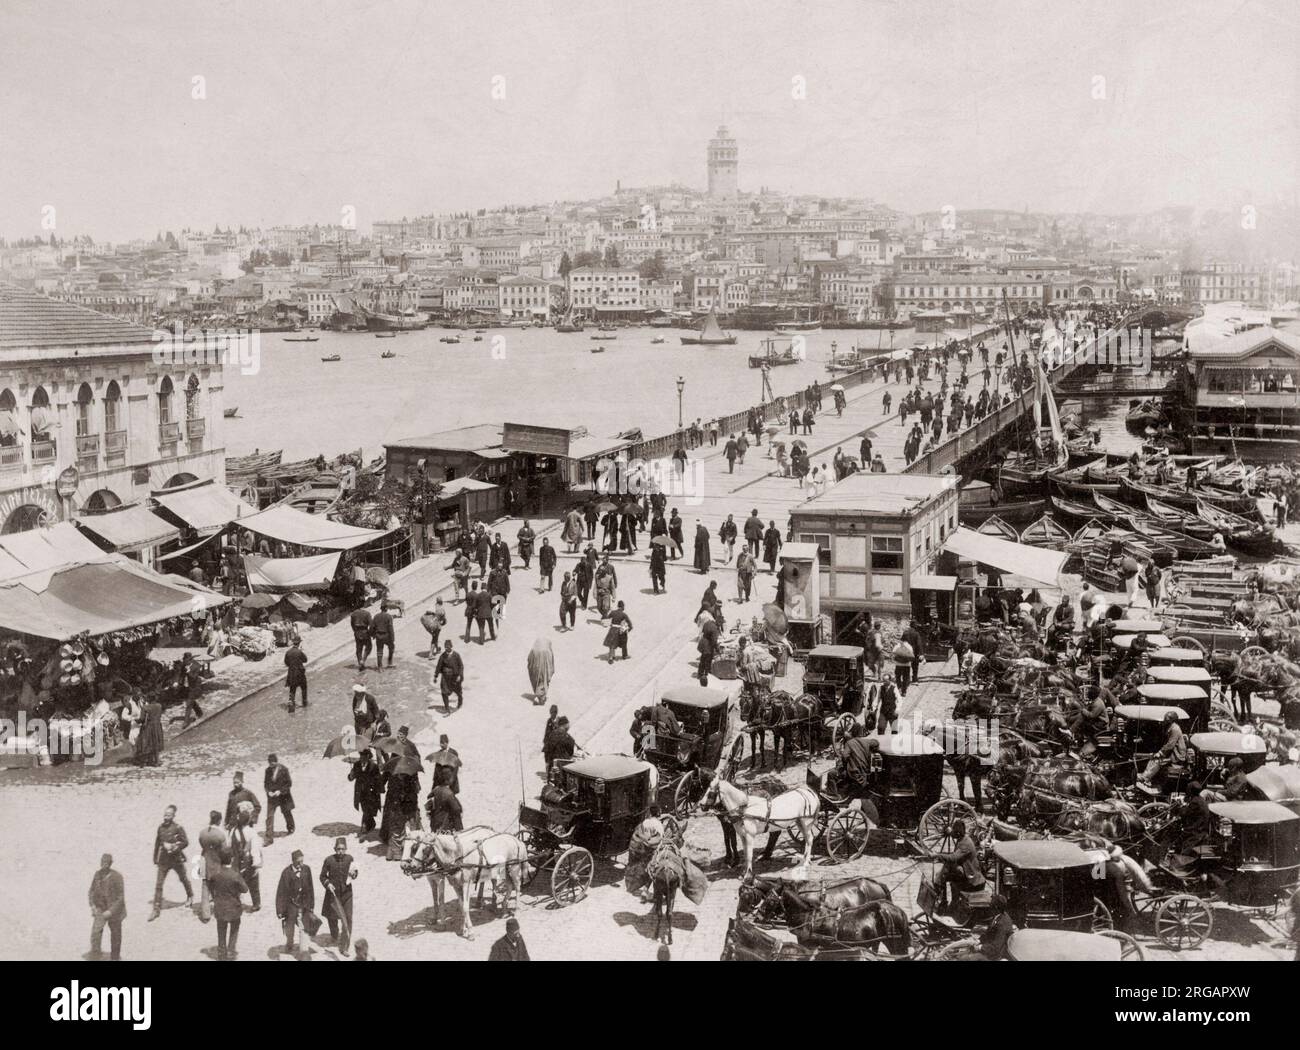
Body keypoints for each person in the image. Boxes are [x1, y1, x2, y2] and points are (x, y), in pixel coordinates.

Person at [150, 804, 193, 921]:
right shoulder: (160, 828)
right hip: (163, 860)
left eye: (168, 815)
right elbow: (157, 843)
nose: (165, 817)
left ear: (173, 816)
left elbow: (185, 842)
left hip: (176, 859)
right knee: (159, 884)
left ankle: (190, 895)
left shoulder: (178, 828)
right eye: (165, 815)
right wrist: (155, 858)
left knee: (183, 878)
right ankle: (156, 908)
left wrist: (175, 847)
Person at [931, 819, 985, 911]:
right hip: (966, 872)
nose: (952, 834)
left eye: (954, 832)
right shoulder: (962, 839)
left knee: (943, 875)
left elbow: (953, 857)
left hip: (972, 879)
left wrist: (937, 855)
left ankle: (944, 903)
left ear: (958, 834)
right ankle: (946, 902)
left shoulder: (966, 843)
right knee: (944, 872)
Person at [207, 847, 247, 961]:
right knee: (234, 929)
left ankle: (221, 953)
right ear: (232, 859)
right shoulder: (235, 875)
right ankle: (231, 951)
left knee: (221, 930)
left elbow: (210, 886)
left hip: (220, 907)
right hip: (234, 908)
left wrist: (216, 897)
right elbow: (245, 889)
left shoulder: (215, 874)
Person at [320, 837, 358, 956]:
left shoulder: (350, 859)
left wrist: (354, 874)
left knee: (348, 919)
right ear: (334, 849)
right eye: (338, 849)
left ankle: (344, 946)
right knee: (332, 917)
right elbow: (322, 876)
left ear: (346, 849)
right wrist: (328, 884)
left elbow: (355, 873)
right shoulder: (328, 860)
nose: (340, 851)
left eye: (342, 849)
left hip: (347, 894)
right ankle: (334, 934)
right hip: (333, 895)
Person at [276, 849, 316, 957]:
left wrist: (311, 905)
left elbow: (311, 888)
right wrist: (279, 910)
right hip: (290, 907)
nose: (301, 864)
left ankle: (304, 951)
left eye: (302, 861)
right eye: (298, 862)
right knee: (290, 929)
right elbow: (281, 892)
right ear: (293, 861)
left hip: (303, 905)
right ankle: (289, 943)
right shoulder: (286, 873)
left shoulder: (307, 869)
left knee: (303, 928)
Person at [88, 853, 126, 960]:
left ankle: (115, 957)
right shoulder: (97, 875)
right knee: (95, 933)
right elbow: (91, 892)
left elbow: (120, 898)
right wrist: (93, 906)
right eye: (102, 862)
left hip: (115, 910)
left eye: (106, 863)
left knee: (116, 935)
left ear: (110, 864)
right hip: (100, 907)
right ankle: (95, 956)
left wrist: (110, 911)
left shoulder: (117, 876)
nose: (104, 865)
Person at [1139, 711, 1187, 786]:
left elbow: (1170, 745)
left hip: (1177, 755)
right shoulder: (1170, 727)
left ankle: (1145, 778)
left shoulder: (1175, 729)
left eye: (1166, 719)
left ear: (1171, 720)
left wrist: (1160, 753)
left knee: (1157, 760)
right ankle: (1145, 776)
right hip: (1172, 753)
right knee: (1153, 757)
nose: (1164, 720)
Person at [229, 811, 262, 912]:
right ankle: (256, 904)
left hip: (235, 861)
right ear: (248, 820)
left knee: (236, 883)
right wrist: (256, 865)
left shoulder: (233, 831)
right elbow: (255, 850)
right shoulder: (251, 832)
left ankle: (236, 903)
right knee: (253, 883)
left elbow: (229, 846)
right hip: (247, 861)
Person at [349, 747, 384, 834]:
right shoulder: (356, 765)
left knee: (369, 809)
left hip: (371, 792)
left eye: (364, 756)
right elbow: (351, 778)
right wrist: (351, 775)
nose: (362, 757)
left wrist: (380, 788)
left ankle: (364, 826)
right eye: (361, 755)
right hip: (360, 791)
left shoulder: (373, 766)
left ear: (368, 756)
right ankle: (371, 823)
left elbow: (378, 778)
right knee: (365, 809)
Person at [264, 754, 295, 843]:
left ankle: (291, 827)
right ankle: (269, 837)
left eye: (273, 763)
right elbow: (266, 784)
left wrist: (280, 791)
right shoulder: (267, 771)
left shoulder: (284, 770)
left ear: (277, 762)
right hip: (272, 797)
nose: (271, 765)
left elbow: (289, 783)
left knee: (286, 812)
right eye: (270, 763)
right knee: (270, 816)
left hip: (283, 796)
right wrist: (268, 791)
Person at [425, 766, 464, 832]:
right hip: (445, 826)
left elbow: (429, 798)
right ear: (448, 779)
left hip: (435, 824)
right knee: (456, 815)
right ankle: (460, 832)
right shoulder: (448, 793)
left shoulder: (436, 789)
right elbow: (457, 809)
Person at [433, 640, 465, 713]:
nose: (447, 648)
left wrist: (460, 675)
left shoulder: (456, 655)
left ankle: (460, 700)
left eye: (448, 647)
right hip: (445, 677)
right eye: (446, 647)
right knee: (444, 692)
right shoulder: (443, 656)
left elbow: (461, 666)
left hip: (455, 677)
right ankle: (447, 708)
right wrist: (436, 676)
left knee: (458, 691)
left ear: (451, 646)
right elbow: (439, 666)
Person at [134, 698, 165, 767]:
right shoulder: (159, 706)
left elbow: (142, 719)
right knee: (156, 742)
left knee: (146, 743)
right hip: (157, 726)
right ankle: (156, 761)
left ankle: (144, 761)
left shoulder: (145, 708)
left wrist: (136, 720)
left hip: (149, 727)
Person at [527, 636, 555, 705]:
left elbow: (529, 659)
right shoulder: (548, 651)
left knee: (538, 683)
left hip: (535, 670)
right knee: (543, 682)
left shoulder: (534, 650)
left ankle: (540, 697)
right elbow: (551, 661)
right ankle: (542, 697)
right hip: (545, 671)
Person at [284, 638, 308, 708]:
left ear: (293, 643)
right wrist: (301, 651)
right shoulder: (299, 652)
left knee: (292, 688)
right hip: (300, 672)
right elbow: (305, 660)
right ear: (299, 643)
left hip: (291, 673)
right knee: (304, 687)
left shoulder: (288, 652)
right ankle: (304, 702)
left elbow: (286, 662)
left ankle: (291, 701)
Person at [697, 613, 720, 685]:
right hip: (708, 645)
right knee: (708, 660)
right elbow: (714, 641)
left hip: (702, 642)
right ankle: (706, 674)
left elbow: (703, 631)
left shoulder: (708, 622)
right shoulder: (715, 629)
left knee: (702, 659)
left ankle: (700, 673)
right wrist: (717, 649)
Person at [350, 606, 373, 671]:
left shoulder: (353, 614)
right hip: (365, 632)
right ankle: (363, 660)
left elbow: (352, 624)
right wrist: (370, 633)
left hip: (357, 632)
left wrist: (355, 631)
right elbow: (371, 624)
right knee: (369, 646)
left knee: (359, 648)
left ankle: (360, 663)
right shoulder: (367, 613)